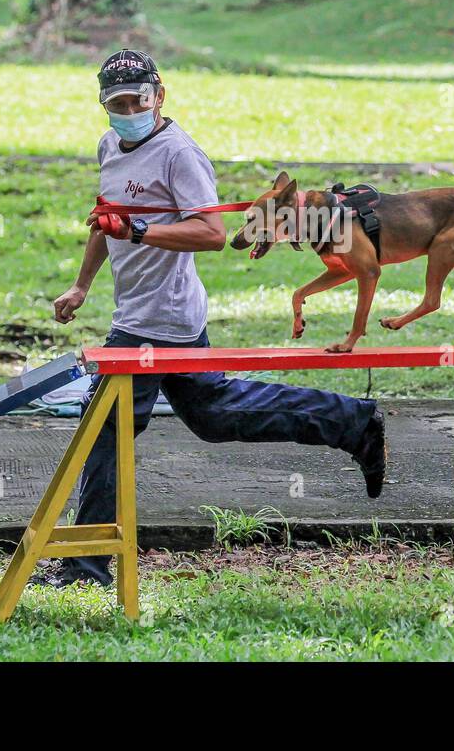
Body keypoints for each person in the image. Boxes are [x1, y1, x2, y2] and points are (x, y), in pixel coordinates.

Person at [32, 49, 387, 588]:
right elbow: (108, 218)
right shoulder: (110, 144)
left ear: (159, 95)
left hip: (161, 319)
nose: (128, 109)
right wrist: (82, 284)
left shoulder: (181, 155)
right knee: (214, 414)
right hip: (145, 313)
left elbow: (212, 234)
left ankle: (87, 568)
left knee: (104, 430)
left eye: (137, 99)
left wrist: (142, 232)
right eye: (117, 103)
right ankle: (354, 422)